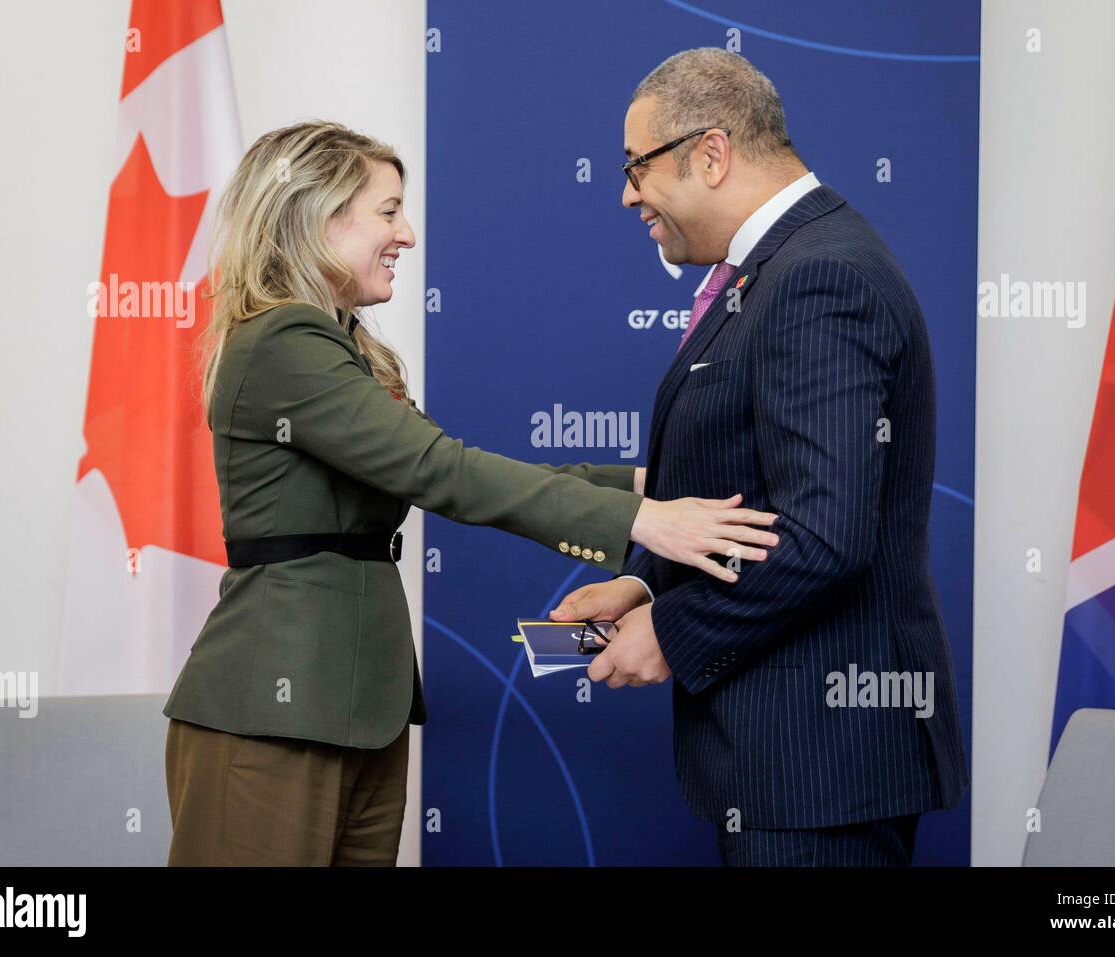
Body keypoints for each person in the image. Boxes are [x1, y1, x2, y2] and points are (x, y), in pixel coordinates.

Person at [162, 119, 779, 866]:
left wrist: (657, 486)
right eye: (388, 211)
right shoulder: (284, 342)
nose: (409, 234)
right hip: (272, 717)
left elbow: (451, 464)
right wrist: (644, 519)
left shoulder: (341, 347)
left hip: (359, 712)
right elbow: (443, 472)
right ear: (316, 217)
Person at [551, 49, 969, 866]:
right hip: (786, 763)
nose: (626, 192)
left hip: (821, 768)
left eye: (637, 166)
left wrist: (669, 632)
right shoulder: (778, 268)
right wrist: (644, 580)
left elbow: (823, 536)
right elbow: (747, 495)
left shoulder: (818, 278)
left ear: (711, 154)